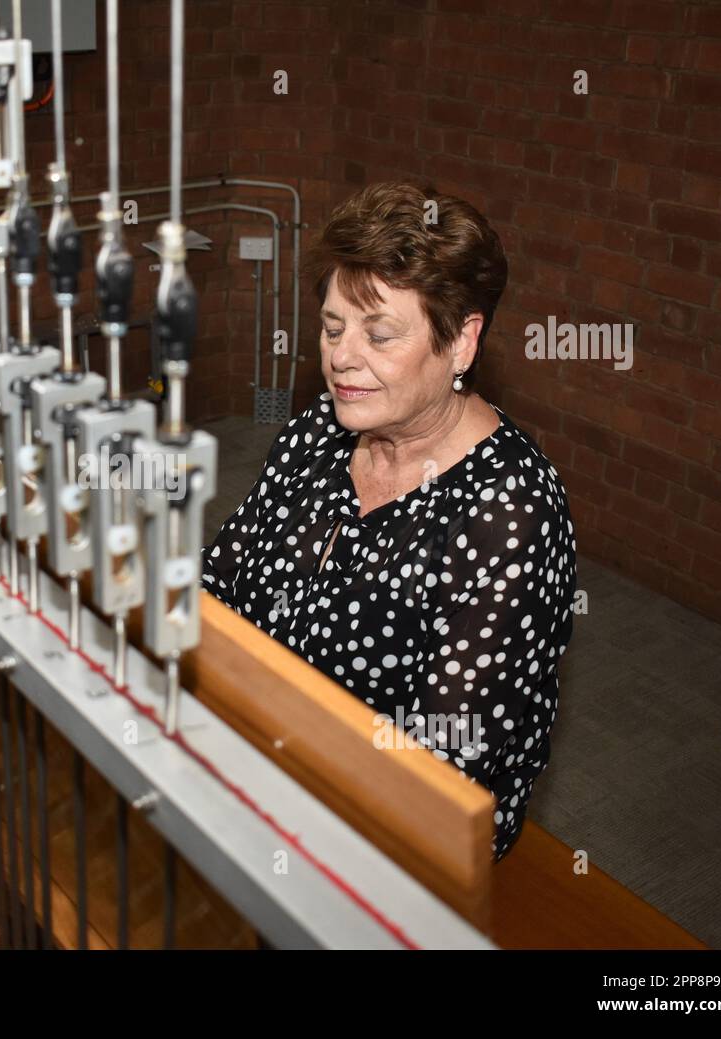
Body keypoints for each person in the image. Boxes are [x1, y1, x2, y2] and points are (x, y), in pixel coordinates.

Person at [202, 182, 577, 860]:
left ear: (462, 342)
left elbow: (435, 769)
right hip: (259, 753)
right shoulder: (319, 431)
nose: (342, 357)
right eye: (332, 325)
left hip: (389, 836)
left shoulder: (510, 515)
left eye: (379, 334)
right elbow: (218, 585)